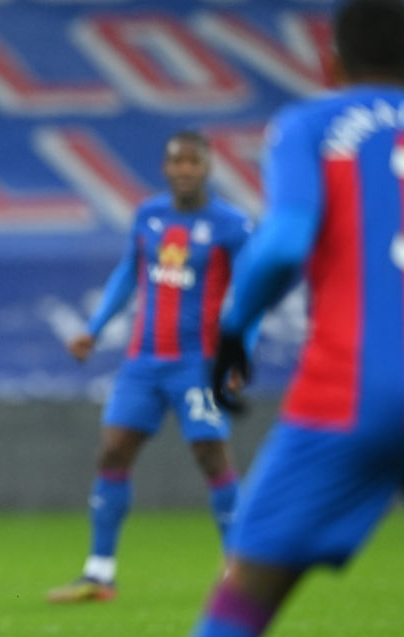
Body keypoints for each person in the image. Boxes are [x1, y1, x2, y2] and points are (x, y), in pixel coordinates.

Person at [150, 1, 404, 637]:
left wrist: (234, 329)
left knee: (243, 600)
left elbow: (286, 242)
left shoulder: (312, 124)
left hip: (352, 392)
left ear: (330, 62)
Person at [48, 131, 253, 603]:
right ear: (165, 168)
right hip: (142, 361)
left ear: (207, 167)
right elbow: (128, 274)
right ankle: (99, 573)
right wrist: (94, 329)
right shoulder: (149, 215)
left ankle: (240, 571)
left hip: (197, 363)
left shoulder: (231, 225)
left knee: (211, 456)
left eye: (193, 161)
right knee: (113, 452)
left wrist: (239, 352)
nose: (184, 169)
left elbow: (248, 294)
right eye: (177, 161)